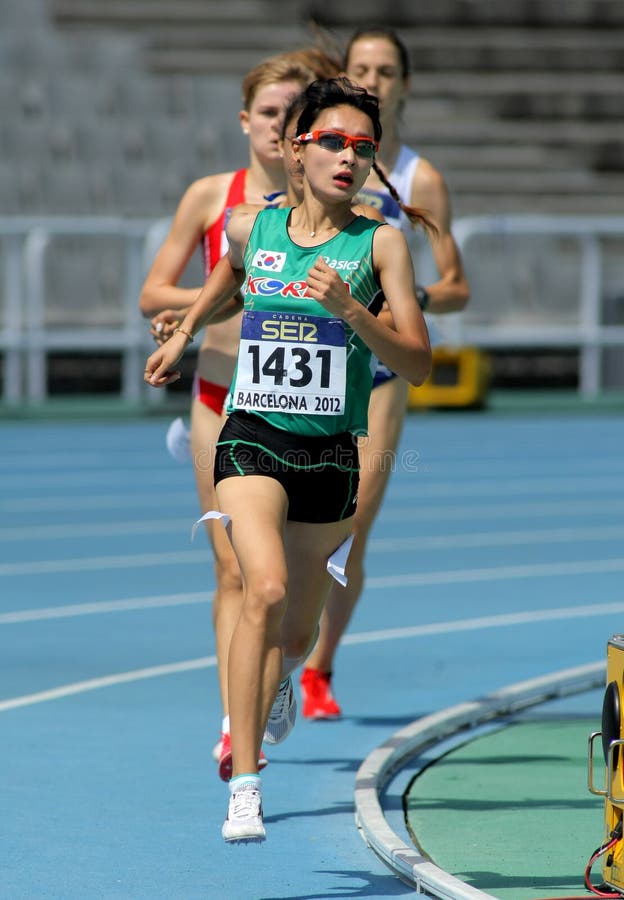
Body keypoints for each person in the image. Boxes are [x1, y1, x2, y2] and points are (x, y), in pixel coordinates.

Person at [143, 75, 433, 843]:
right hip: (252, 436)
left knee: (296, 633)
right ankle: (244, 783)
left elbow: (418, 362)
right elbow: (227, 280)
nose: (348, 158)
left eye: (363, 148)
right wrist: (183, 333)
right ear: (296, 149)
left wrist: (351, 309)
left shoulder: (380, 243)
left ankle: (280, 687)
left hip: (330, 453)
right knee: (261, 587)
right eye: (333, 142)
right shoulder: (251, 227)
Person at [139, 51, 341, 782]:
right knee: (233, 570)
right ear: (246, 120)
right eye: (269, 113)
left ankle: (281, 670)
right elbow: (153, 292)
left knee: (291, 592)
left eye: (293, 115)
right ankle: (235, 724)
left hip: (306, 416)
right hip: (221, 401)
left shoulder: (330, 210)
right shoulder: (213, 199)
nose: (280, 127)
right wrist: (196, 314)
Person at [299, 27, 471, 719]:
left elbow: (456, 284)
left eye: (388, 70)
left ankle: (317, 668)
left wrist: (405, 296)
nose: (374, 79)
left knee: (353, 522)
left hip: (377, 374)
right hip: (309, 365)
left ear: (405, 85)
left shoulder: (420, 179)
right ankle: (284, 640)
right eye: (362, 68)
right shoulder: (319, 154)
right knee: (294, 519)